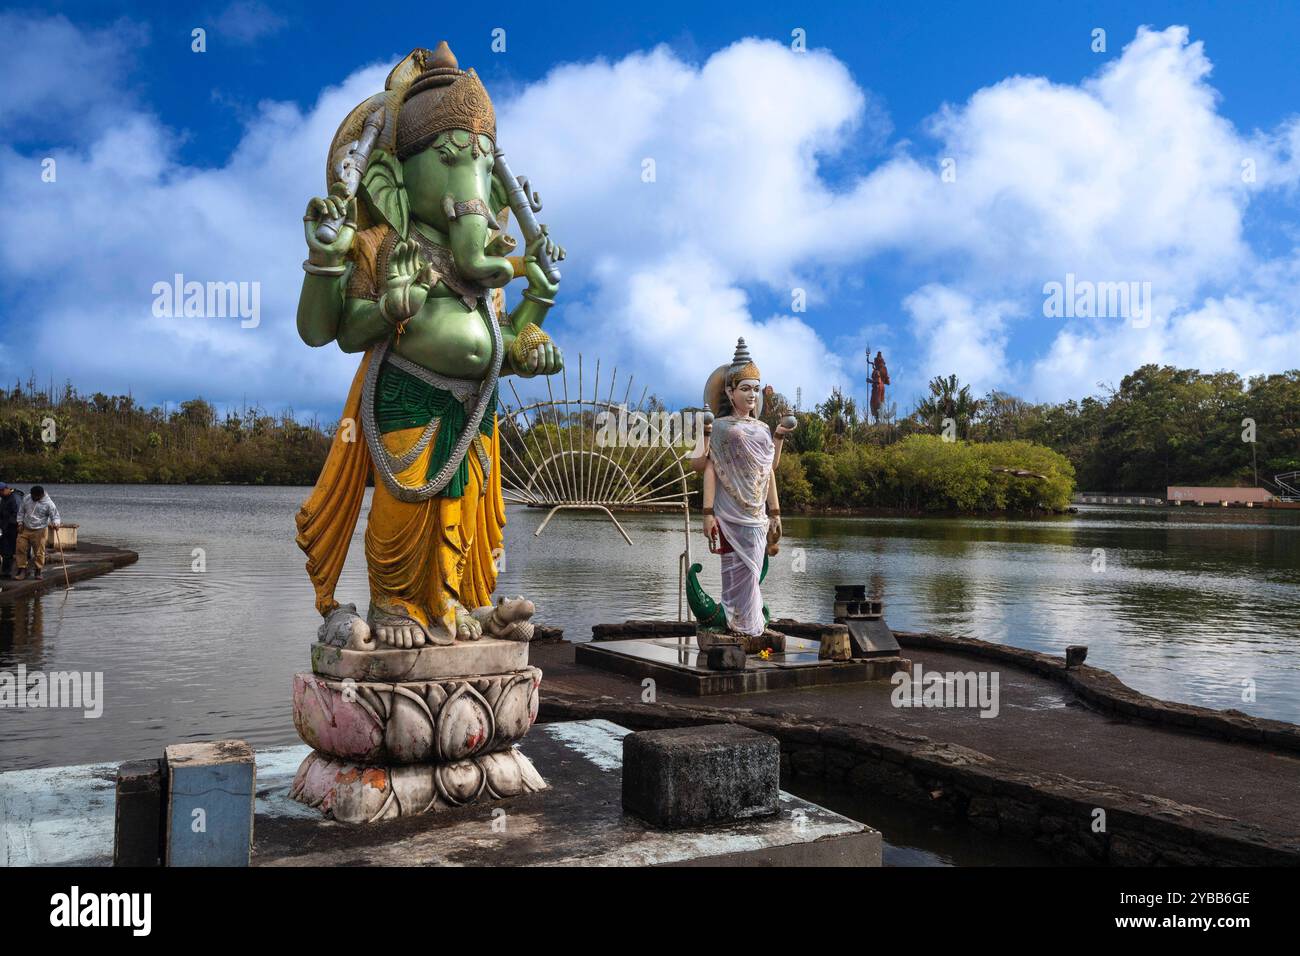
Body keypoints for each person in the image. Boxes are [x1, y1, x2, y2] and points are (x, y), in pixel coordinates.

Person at [14, 485, 60, 581]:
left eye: (36, 496)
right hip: (25, 528)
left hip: (40, 529)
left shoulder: (49, 504)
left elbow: (55, 516)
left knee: (39, 552)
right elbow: (21, 511)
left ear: (41, 495)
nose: (33, 498)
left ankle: (38, 570)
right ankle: (22, 569)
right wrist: (20, 522)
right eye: (32, 496)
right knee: (20, 548)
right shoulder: (27, 498)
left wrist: (56, 524)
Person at [0, 483, 23, 578]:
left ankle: (12, 571)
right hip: (5, 527)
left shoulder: (15, 499)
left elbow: (17, 515)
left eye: (0, 491)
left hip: (13, 528)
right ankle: (6, 571)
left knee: (11, 550)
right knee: (5, 550)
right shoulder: (4, 499)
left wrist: (6, 524)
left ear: (5, 489)